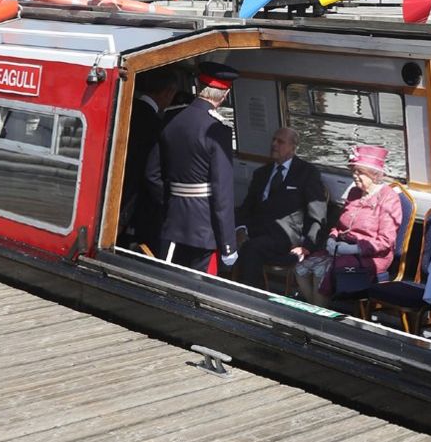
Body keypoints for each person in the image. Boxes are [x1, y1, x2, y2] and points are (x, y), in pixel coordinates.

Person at [145, 68, 239, 274]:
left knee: (168, 281)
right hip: (204, 230)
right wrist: (228, 245)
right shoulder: (218, 129)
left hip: (172, 223)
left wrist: (172, 202)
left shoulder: (171, 119)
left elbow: (152, 173)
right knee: (201, 290)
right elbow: (222, 195)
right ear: (224, 95)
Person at [293, 144, 402, 306]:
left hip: (371, 257)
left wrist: (354, 249)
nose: (355, 176)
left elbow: (385, 242)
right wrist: (332, 238)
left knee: (320, 271)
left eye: (360, 172)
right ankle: (318, 315)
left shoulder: (389, 198)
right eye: (353, 172)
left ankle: (319, 320)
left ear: (374, 174)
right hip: (342, 249)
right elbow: (340, 225)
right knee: (301, 268)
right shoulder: (354, 192)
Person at [235, 126, 328, 287]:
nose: (274, 145)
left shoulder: (306, 173)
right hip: (256, 229)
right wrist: (240, 229)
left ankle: (250, 295)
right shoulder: (262, 173)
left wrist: (307, 247)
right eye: (273, 140)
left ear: (293, 147)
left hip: (286, 236)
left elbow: (318, 215)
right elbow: (247, 206)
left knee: (251, 248)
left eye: (280, 142)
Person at [117, 66, 180, 247]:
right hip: (135, 202)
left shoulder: (125, 109)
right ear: (168, 92)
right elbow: (145, 172)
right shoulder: (155, 125)